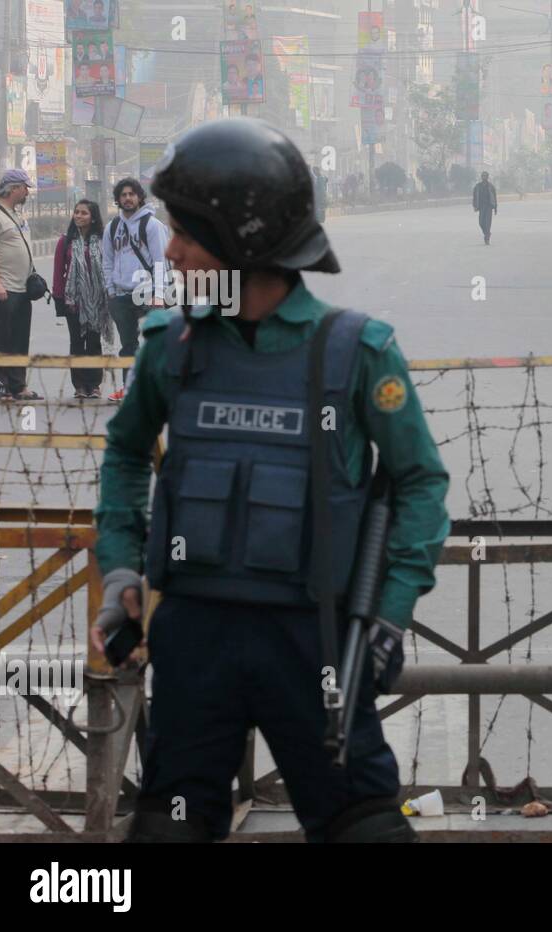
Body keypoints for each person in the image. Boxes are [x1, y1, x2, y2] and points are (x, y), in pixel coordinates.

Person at [91, 117, 450, 844]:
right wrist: (121, 567)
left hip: (313, 642)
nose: (173, 250)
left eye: (187, 234)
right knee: (168, 829)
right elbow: (126, 451)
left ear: (241, 246)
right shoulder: (172, 345)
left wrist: (389, 611)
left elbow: (418, 483)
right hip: (194, 640)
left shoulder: (357, 352)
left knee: (365, 829)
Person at [101, 177, 170, 400]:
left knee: (156, 343)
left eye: (132, 194)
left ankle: (157, 388)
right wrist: (110, 290)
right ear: (118, 199)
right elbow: (107, 261)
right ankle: (129, 389)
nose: (128, 198)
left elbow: (161, 261)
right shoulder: (112, 228)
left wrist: (159, 295)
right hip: (120, 295)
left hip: (148, 293)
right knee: (128, 345)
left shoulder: (152, 225)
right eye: (123, 195)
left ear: (140, 197)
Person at [0, 169, 42, 401]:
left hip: (22, 288)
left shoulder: (15, 214)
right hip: (1, 288)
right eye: (25, 187)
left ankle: (18, 386)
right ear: (13, 188)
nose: (27, 192)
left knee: (19, 338)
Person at [53, 199, 113, 399]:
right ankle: (79, 385)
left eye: (84, 213)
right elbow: (58, 273)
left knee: (94, 343)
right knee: (77, 343)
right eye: (76, 212)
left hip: (97, 301)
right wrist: (60, 299)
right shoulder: (66, 241)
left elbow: (109, 268)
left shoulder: (104, 240)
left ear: (93, 217)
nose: (78, 216)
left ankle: (94, 385)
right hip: (74, 301)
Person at [472, 171, 497, 245]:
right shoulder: (477, 186)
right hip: (481, 207)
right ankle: (487, 233)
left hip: (489, 207)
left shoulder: (491, 186)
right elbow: (474, 197)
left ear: (487, 177)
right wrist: (474, 205)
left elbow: (494, 197)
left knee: (488, 223)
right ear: (481, 177)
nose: (484, 177)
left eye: (485, 176)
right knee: (481, 222)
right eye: (483, 176)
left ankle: (487, 238)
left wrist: (495, 208)